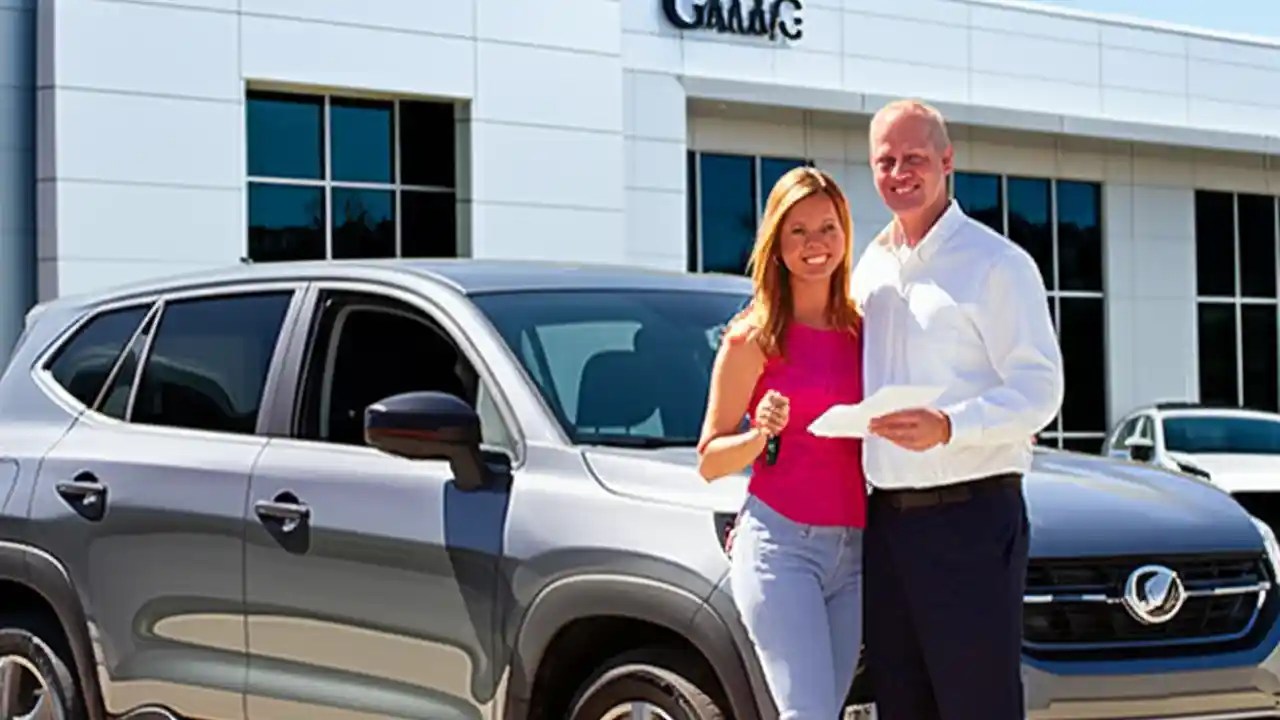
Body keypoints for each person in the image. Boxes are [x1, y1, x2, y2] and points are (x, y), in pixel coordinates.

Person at [851, 99, 1065, 720]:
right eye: (885, 160)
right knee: (901, 705)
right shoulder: (870, 267)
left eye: (914, 158)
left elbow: (1039, 391)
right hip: (885, 525)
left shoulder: (997, 264)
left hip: (970, 520)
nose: (899, 172)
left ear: (947, 161)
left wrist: (950, 427)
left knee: (978, 708)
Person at [697, 166, 866, 720]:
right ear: (776, 242)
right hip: (782, 548)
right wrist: (759, 433)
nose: (815, 244)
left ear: (845, 233)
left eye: (827, 228)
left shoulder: (864, 331)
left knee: (826, 712)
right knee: (809, 714)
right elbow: (710, 459)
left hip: (857, 551)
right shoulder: (754, 337)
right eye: (798, 231)